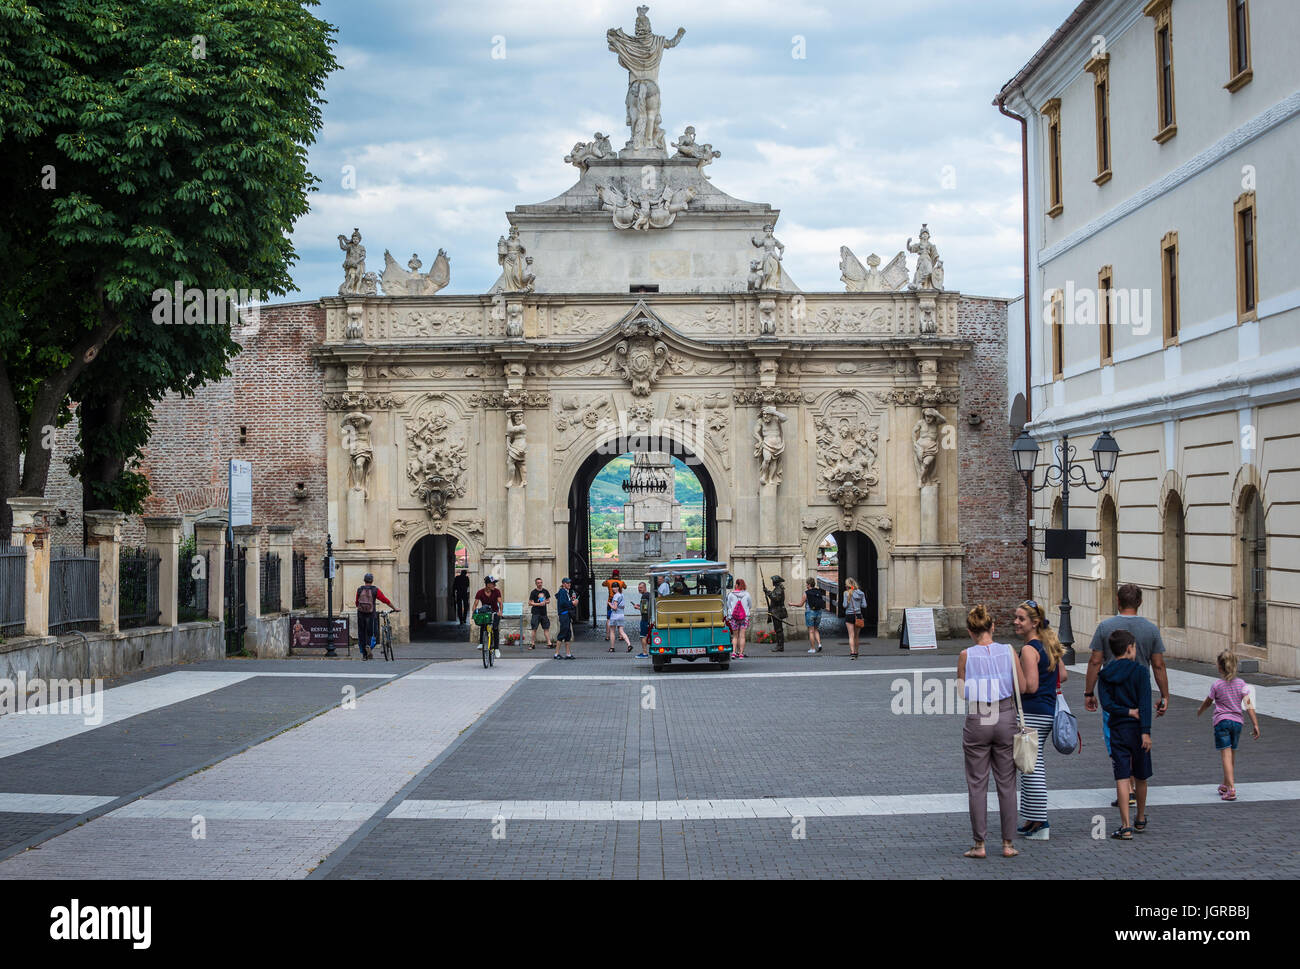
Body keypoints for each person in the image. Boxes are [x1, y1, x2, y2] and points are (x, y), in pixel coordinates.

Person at [1085, 583, 1170, 807]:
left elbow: (1095, 661)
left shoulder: (1105, 627)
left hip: (1113, 693)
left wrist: (1089, 692)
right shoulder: (1151, 629)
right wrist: (1164, 695)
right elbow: (1159, 665)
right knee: (1139, 738)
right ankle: (1134, 785)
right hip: (1139, 692)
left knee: (1116, 740)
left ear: (1117, 600)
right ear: (1140, 603)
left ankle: (1127, 786)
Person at [957, 605, 1019, 859]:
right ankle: (1007, 843)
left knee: (977, 783)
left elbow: (962, 691)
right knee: (1007, 783)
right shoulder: (1008, 651)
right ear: (992, 627)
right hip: (1005, 714)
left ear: (971, 631)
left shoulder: (965, 655)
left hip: (979, 716)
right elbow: (1022, 685)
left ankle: (979, 844)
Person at [1012, 600, 1067, 840]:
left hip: (1031, 712)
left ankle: (1041, 822)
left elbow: (1030, 686)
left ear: (1034, 623)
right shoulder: (1049, 644)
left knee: (1032, 768)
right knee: (1030, 765)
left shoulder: (1028, 649)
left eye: (1021, 618)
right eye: (1016, 617)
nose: (1016, 622)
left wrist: (1014, 679)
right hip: (1048, 711)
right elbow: (1062, 674)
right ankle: (1032, 819)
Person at [1097, 629, 1153, 840]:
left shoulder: (1105, 674)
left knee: (1121, 776)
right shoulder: (1140, 672)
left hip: (1118, 729)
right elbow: (1145, 703)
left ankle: (1125, 825)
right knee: (1141, 775)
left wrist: (1124, 711)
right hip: (1138, 730)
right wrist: (1145, 731)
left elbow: (1107, 704)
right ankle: (1139, 817)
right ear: (1130, 648)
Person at [1196, 650, 1260, 801]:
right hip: (1237, 723)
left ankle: (1231, 789)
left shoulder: (1217, 685)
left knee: (1225, 755)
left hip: (1222, 722)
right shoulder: (1241, 684)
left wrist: (1201, 710)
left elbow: (1208, 701)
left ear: (1219, 667)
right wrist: (1255, 724)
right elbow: (1248, 704)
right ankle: (1225, 784)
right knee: (1231, 755)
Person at [355, 573, 396, 661]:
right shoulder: (375, 590)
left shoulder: (359, 589)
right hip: (371, 614)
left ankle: (364, 655)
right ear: (372, 581)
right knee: (372, 633)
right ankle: (368, 645)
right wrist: (394, 608)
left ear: (364, 580)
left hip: (361, 614)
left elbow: (356, 603)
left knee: (361, 633)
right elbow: (385, 600)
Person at [790, 578, 825, 653]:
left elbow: (800, 604)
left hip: (810, 613)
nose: (806, 585)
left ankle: (812, 648)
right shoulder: (818, 591)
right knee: (816, 629)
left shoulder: (806, 593)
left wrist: (792, 604)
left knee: (811, 631)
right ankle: (819, 644)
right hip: (819, 612)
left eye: (806, 584)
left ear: (809, 585)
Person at [473, 575, 503, 654]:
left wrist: (501, 611)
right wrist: (474, 612)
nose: (495, 585)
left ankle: (496, 648)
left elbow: (500, 602)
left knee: (495, 628)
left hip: (495, 611)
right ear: (488, 584)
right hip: (485, 612)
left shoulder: (497, 591)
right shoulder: (480, 592)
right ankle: (481, 643)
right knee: (483, 625)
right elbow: (475, 604)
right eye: (493, 583)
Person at [724, 579, 753, 659]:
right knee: (742, 636)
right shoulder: (747, 595)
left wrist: (730, 615)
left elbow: (728, 606)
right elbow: (750, 605)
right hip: (744, 618)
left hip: (734, 618)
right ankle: (741, 654)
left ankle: (733, 653)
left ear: (736, 585)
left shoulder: (731, 595)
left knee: (735, 636)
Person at [843, 577, 867, 659]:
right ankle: (856, 652)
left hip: (849, 616)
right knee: (857, 636)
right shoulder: (861, 593)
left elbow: (844, 605)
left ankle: (852, 653)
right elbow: (864, 605)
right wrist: (858, 604)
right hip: (858, 615)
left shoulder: (846, 593)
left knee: (851, 635)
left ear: (847, 585)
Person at [554, 577, 576, 660]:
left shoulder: (565, 592)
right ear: (563, 584)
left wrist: (572, 601)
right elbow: (563, 603)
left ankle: (568, 654)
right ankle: (556, 653)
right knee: (562, 633)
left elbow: (566, 602)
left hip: (566, 615)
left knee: (568, 634)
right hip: (564, 615)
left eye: (569, 583)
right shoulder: (562, 592)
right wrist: (572, 603)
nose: (569, 584)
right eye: (567, 583)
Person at [528, 577, 553, 650]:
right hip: (536, 613)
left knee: (546, 628)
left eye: (541, 582)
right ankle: (532, 644)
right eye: (538, 583)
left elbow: (548, 601)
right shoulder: (533, 592)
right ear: (536, 584)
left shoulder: (545, 591)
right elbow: (530, 603)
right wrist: (538, 604)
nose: (540, 584)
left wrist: (545, 602)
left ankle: (549, 643)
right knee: (534, 629)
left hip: (543, 613)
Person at [765, 575, 788, 652]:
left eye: (773, 581)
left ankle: (780, 646)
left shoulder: (779, 589)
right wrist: (767, 591)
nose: (772, 582)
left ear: (775, 582)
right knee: (778, 629)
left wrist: (768, 593)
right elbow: (774, 595)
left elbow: (776, 598)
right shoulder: (777, 589)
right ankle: (779, 645)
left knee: (778, 630)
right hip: (776, 611)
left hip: (777, 612)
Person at [607, 587, 632, 652]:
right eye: (613, 587)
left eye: (614, 587)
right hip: (621, 615)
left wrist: (609, 604)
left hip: (615, 615)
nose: (613, 588)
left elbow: (614, 608)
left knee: (612, 631)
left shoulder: (615, 596)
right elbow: (623, 606)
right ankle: (629, 645)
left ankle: (612, 648)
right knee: (621, 631)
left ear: (617, 588)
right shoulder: (622, 595)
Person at [633, 581, 652, 658]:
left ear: (645, 587)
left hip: (645, 619)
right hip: (649, 618)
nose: (639, 589)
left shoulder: (644, 596)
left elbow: (644, 609)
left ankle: (644, 653)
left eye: (641, 588)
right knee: (649, 635)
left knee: (643, 635)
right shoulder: (649, 595)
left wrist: (637, 607)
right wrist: (640, 605)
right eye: (638, 588)